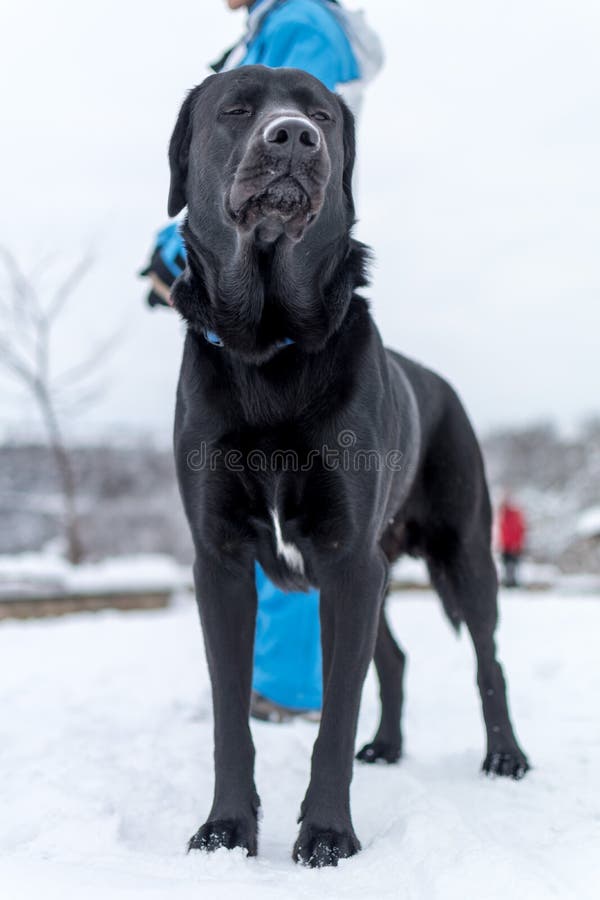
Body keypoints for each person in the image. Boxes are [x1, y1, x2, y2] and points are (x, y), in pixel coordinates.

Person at [141, 0, 383, 721]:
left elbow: (280, 156)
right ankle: (284, 685)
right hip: (276, 297)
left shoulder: (297, 23)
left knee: (288, 512)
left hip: (286, 318)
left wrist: (171, 252)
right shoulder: (285, 22)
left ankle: (285, 689)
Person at [497, 495, 526, 588]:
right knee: (507, 564)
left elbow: (519, 530)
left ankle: (513, 581)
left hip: (513, 545)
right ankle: (509, 581)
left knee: (513, 564)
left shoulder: (514, 515)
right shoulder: (503, 516)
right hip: (506, 545)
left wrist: (517, 544)